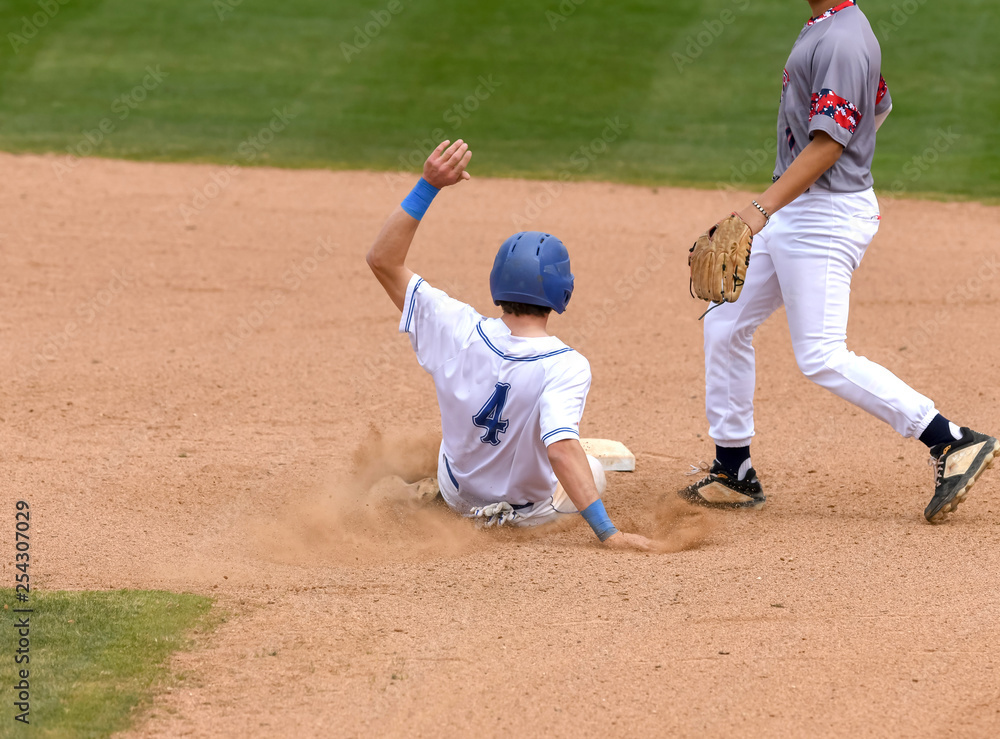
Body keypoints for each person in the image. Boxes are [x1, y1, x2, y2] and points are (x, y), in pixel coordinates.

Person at [681, 0, 997, 522]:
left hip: (822, 216)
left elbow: (830, 143)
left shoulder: (844, 40)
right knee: (725, 320)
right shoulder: (830, 27)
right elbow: (877, 109)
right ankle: (733, 469)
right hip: (802, 206)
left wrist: (761, 208)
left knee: (822, 354)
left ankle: (952, 441)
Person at [367, 139, 658, 550]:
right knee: (589, 469)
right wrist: (609, 533)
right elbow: (560, 452)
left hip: (457, 495)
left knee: (464, 454)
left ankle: (435, 492)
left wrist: (428, 185)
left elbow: (382, 259)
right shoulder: (566, 365)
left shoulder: (455, 327)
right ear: (563, 293)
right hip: (527, 515)